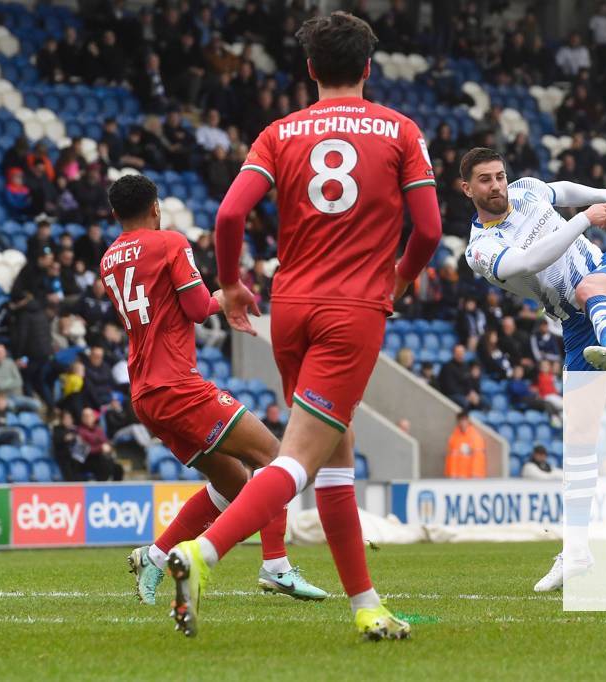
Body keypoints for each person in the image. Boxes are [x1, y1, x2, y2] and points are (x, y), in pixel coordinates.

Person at [171, 12, 441, 641]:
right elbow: (428, 230)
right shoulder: (400, 130)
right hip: (353, 310)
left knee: (335, 459)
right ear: (368, 68)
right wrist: (400, 277)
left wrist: (233, 283)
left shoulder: (279, 132)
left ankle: (367, 606)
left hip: (290, 308)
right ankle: (201, 556)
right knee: (297, 460)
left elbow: (230, 213)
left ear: (312, 69)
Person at [100, 175, 326, 610]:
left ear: (115, 215)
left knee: (232, 482)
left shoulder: (109, 260)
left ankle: (156, 555)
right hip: (177, 383)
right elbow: (197, 309)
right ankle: (276, 566)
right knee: (275, 457)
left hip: (144, 393)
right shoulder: (169, 242)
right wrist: (229, 295)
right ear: (156, 207)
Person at [457, 146, 606, 592]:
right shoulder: (480, 248)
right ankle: (576, 551)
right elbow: (527, 262)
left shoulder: (525, 191)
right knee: (578, 443)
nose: (497, 185)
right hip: (577, 329)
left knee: (588, 288)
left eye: (500, 176)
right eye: (485, 180)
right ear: (467, 189)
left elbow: (562, 190)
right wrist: (586, 218)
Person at [444, 410, 486, 478]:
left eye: (464, 420)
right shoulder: (454, 437)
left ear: (468, 421)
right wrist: (451, 474)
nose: (462, 422)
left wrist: (476, 475)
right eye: (460, 420)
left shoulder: (475, 437)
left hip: (470, 477)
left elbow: (478, 458)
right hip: (457, 476)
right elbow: (451, 457)